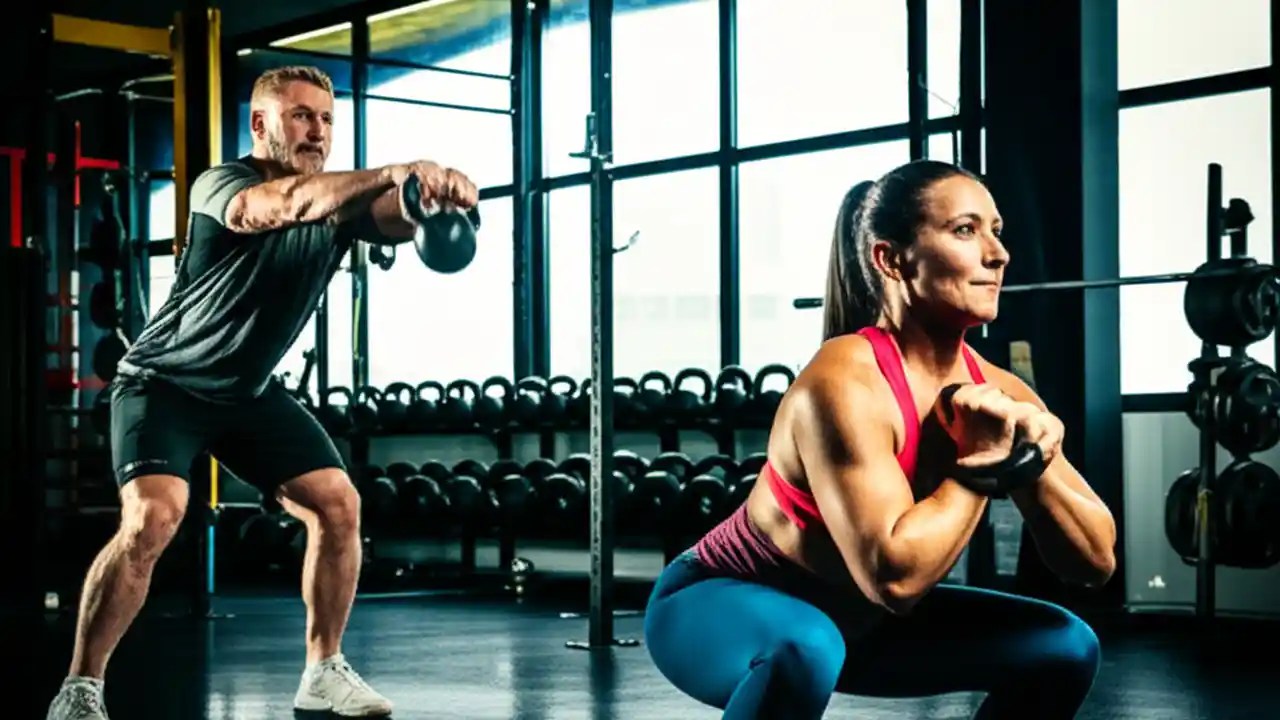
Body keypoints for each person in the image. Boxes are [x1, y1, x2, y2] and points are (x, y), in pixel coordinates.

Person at [45, 65, 478, 720]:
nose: (317, 130)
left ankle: (323, 671)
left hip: (246, 392)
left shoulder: (339, 203)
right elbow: (286, 205)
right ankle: (81, 686)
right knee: (154, 519)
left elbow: (389, 218)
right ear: (260, 123)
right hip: (165, 382)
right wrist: (396, 170)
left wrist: (430, 198)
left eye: (327, 119)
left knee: (339, 506)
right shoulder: (225, 185)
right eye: (301, 115)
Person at [643, 160, 1118, 720]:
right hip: (718, 607)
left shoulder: (1000, 389)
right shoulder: (843, 379)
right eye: (966, 230)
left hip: (858, 625)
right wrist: (980, 466)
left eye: (997, 230)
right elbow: (896, 578)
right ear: (891, 259)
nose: (998, 253)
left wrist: (1033, 463)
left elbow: (1094, 561)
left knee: (1063, 646)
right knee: (806, 647)